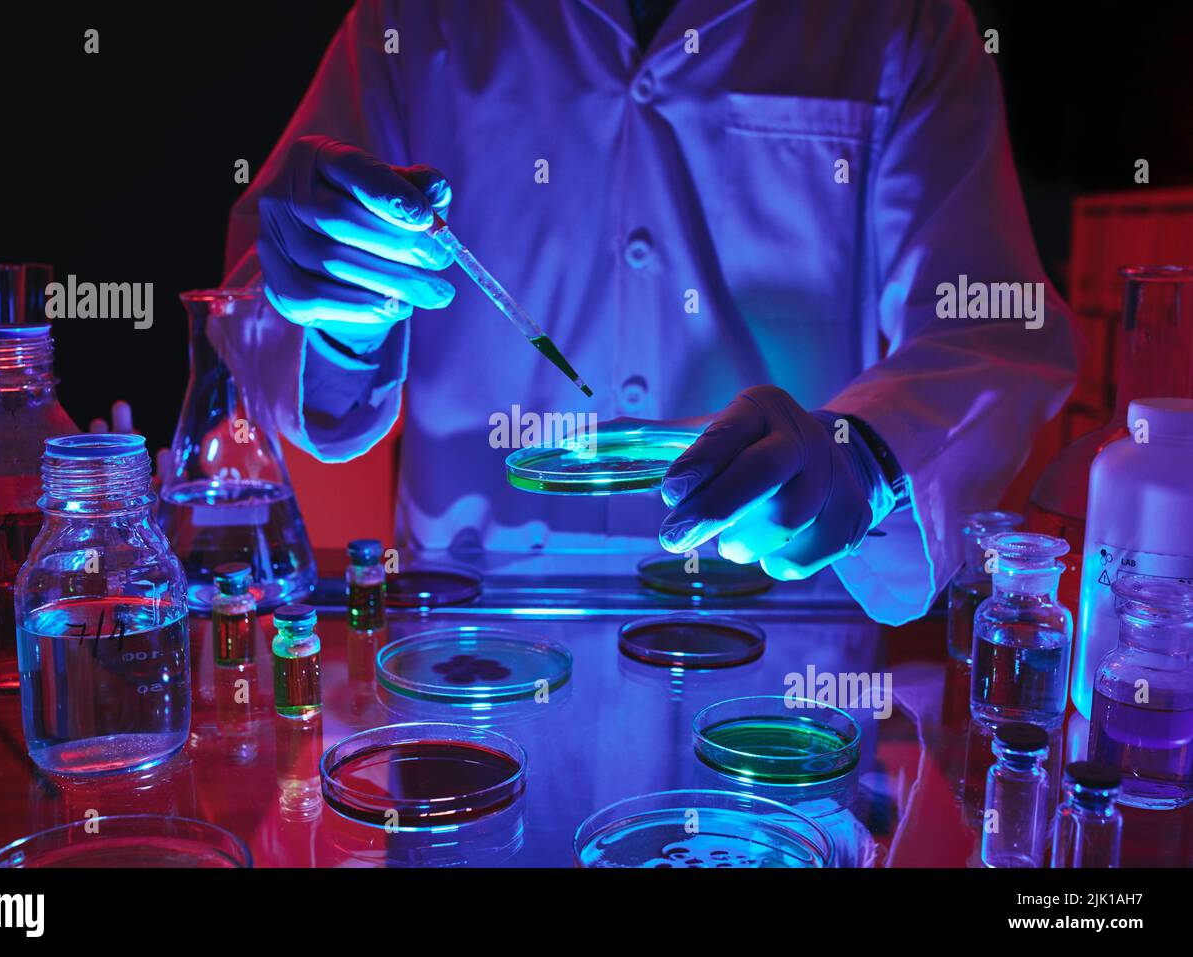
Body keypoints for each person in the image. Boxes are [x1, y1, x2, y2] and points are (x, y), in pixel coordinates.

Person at [219, 0, 1078, 625]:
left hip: (777, 674)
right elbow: (256, 302)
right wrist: (342, 319)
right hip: (472, 660)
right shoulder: (414, 20)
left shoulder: (901, 20)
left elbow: (994, 330)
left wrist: (864, 452)